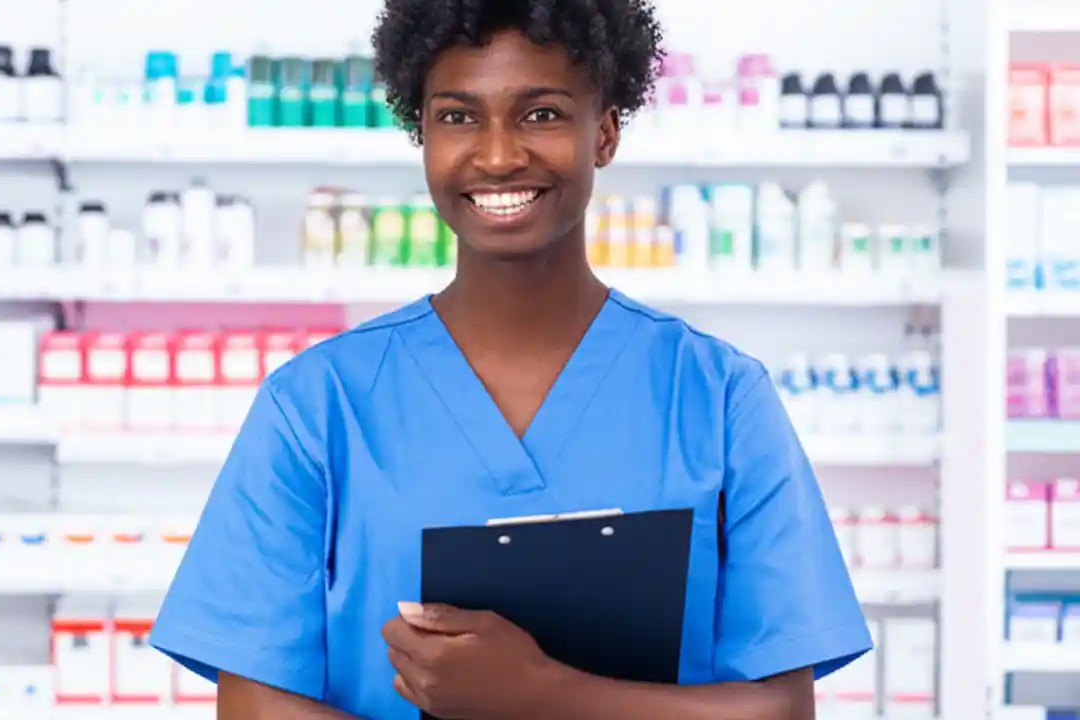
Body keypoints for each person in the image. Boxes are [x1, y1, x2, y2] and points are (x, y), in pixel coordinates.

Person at [149, 0, 872, 717]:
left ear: (606, 134)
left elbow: (780, 709)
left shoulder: (719, 398)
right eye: (458, 116)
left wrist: (540, 693)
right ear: (421, 132)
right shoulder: (317, 405)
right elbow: (252, 705)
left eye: (542, 114)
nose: (497, 155)